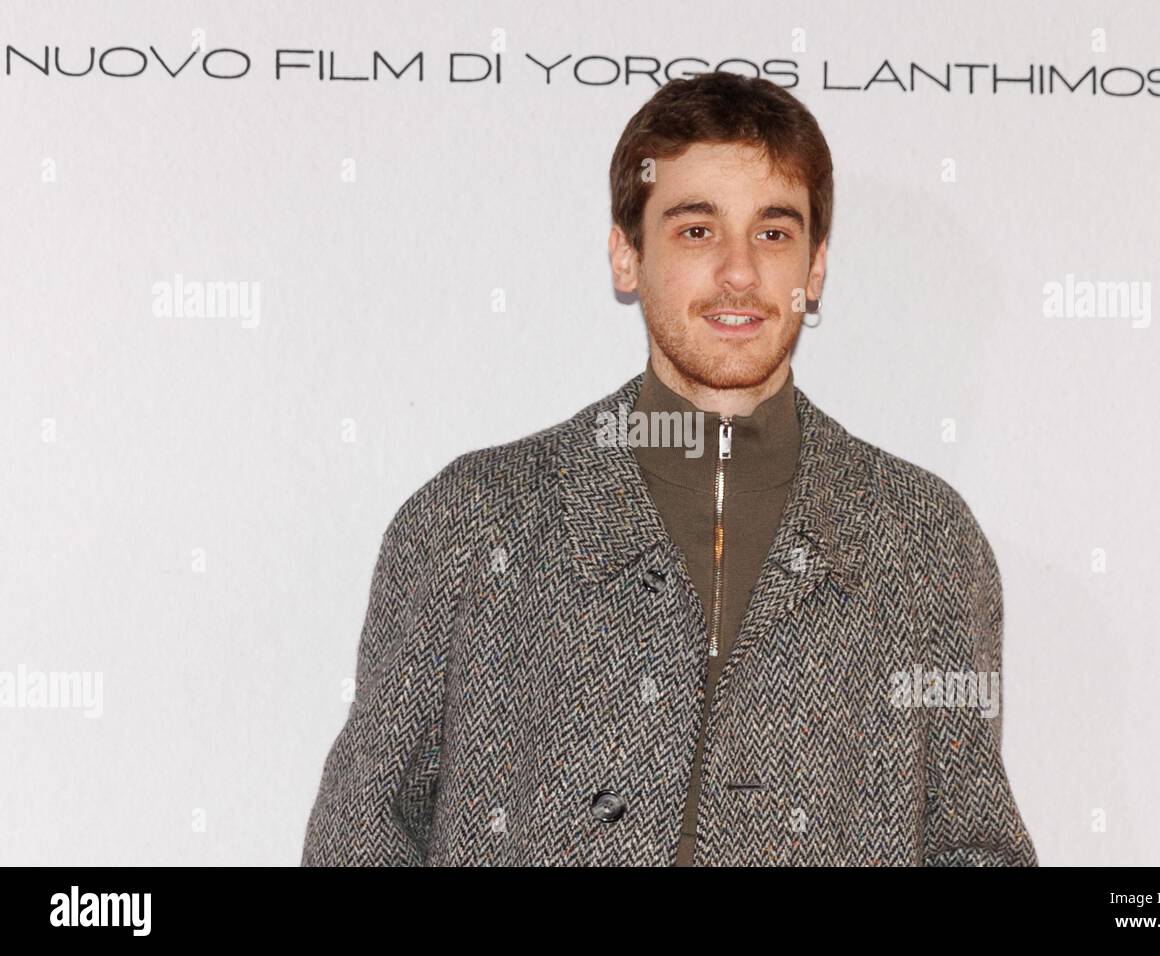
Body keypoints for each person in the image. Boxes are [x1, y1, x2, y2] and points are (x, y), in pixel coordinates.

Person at [301, 70, 1037, 866]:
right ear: (627, 256)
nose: (740, 273)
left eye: (774, 232)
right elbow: (361, 837)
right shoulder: (471, 522)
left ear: (815, 269)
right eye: (696, 230)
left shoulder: (924, 541)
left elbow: (976, 846)